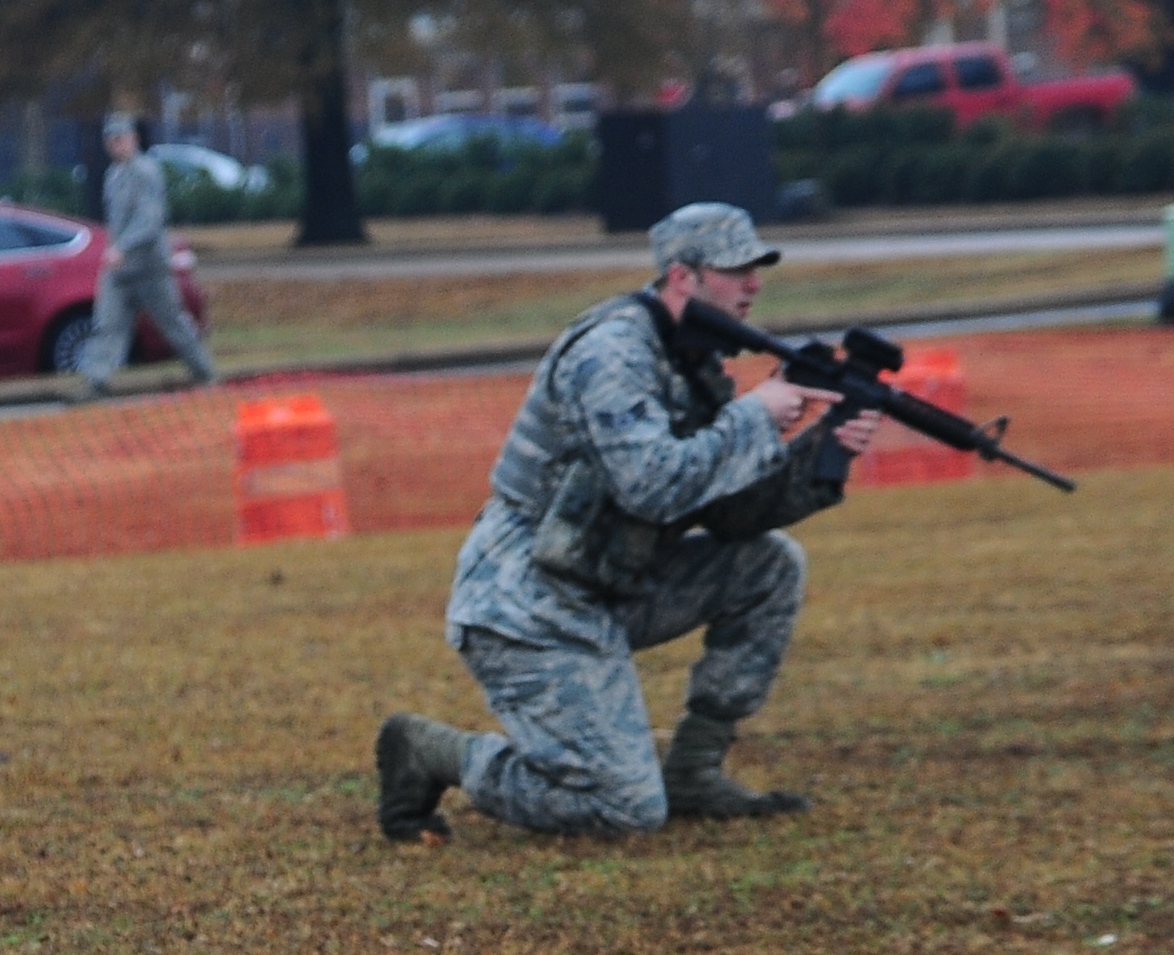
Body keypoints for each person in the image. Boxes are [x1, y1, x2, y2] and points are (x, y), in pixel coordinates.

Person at [375, 202, 881, 843]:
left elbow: (732, 516)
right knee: (623, 809)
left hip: (606, 578)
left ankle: (694, 769)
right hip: (526, 601)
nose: (753, 284)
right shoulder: (613, 354)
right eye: (736, 269)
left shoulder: (690, 360)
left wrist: (821, 452)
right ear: (682, 278)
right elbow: (651, 488)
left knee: (770, 564)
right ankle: (430, 751)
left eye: (757, 268)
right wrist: (754, 417)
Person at [74, 114, 217, 398]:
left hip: (150, 266)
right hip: (120, 270)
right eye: (111, 140)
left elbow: (150, 220)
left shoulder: (146, 171)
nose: (116, 145)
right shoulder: (113, 176)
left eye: (121, 138)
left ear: (133, 139)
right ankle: (95, 382)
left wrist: (122, 247)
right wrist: (116, 250)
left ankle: (205, 373)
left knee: (172, 323)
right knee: (107, 324)